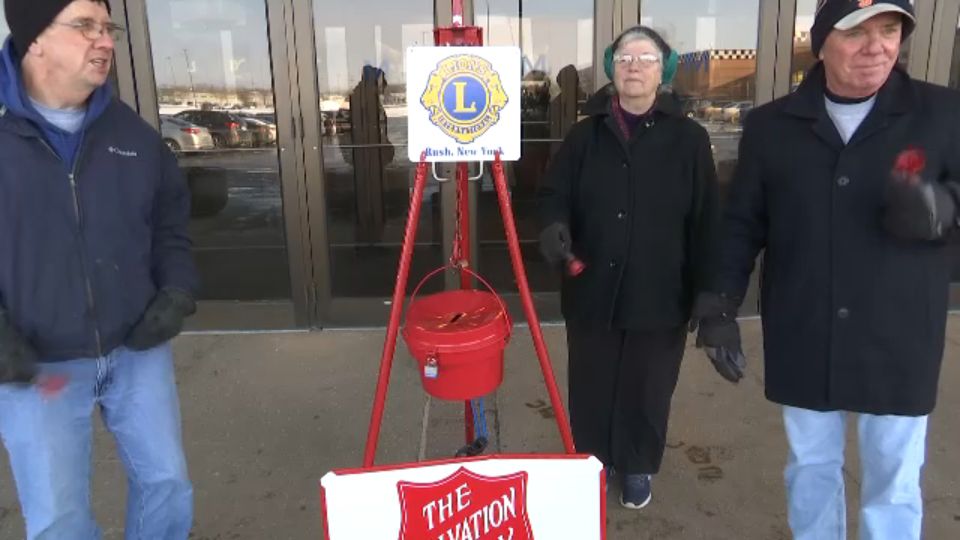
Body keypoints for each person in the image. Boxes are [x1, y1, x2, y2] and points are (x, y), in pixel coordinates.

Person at [690, 1, 960, 538]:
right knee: (810, 467)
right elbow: (743, 222)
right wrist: (719, 305)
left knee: (894, 474)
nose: (878, 45)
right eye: (857, 32)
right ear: (822, 43)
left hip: (900, 332)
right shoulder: (771, 126)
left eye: (889, 30)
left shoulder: (943, 113)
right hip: (806, 324)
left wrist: (945, 207)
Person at [0, 0, 198, 538]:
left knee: (167, 486)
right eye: (85, 26)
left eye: (108, 27)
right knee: (60, 516)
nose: (105, 41)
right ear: (34, 37)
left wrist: (176, 289)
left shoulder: (132, 135)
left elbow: (170, 224)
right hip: (38, 364)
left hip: (136, 350)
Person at [538, 26, 719, 509]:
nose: (633, 65)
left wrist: (712, 297)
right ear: (611, 68)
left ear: (665, 69)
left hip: (662, 291)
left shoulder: (690, 139)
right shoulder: (583, 136)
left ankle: (637, 464)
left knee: (648, 384)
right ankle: (595, 463)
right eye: (623, 58)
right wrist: (554, 225)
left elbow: (707, 220)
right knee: (592, 382)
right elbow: (554, 195)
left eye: (645, 57)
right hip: (591, 285)